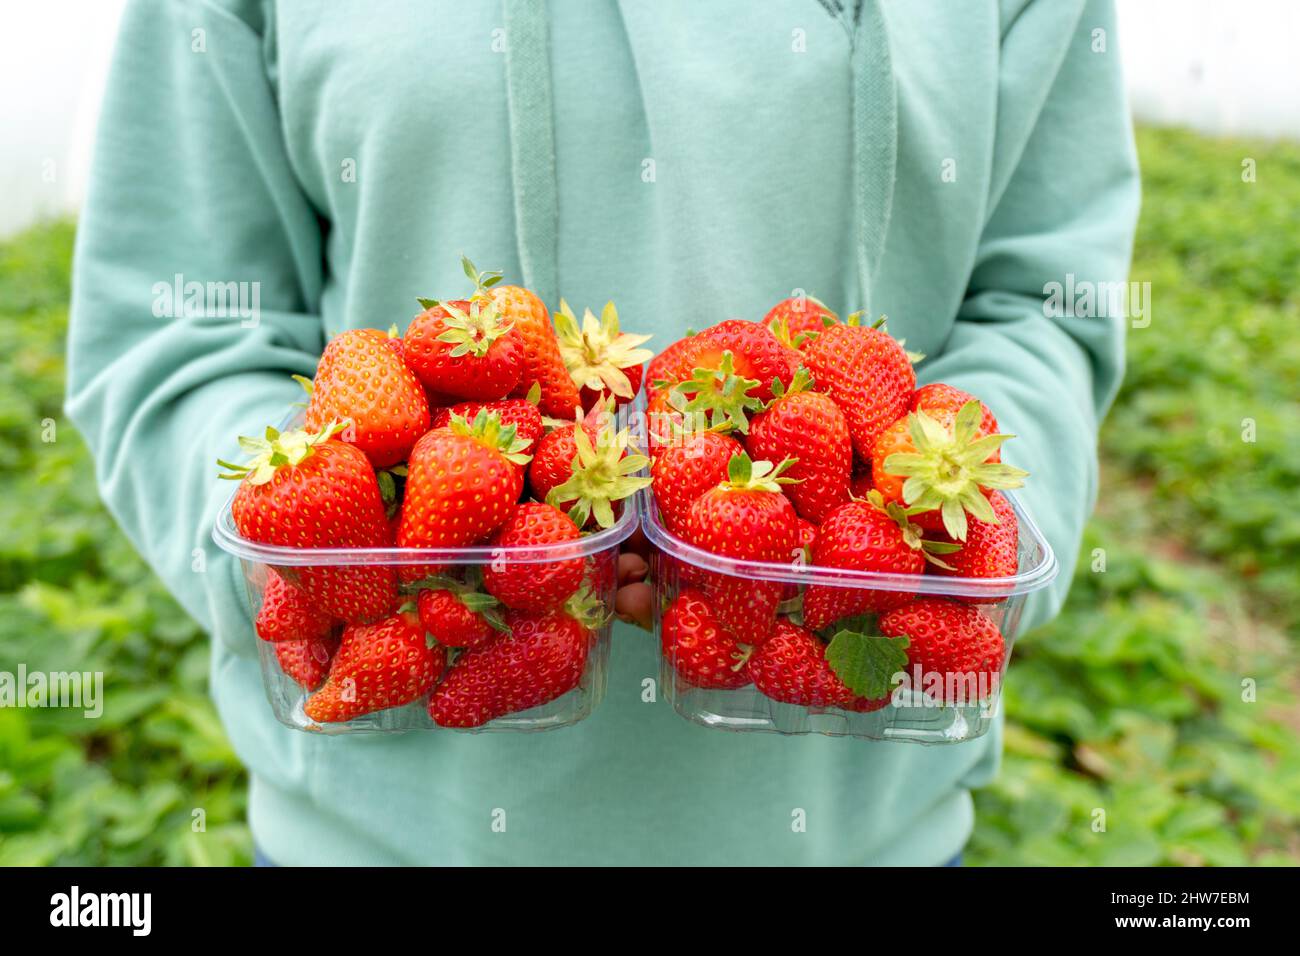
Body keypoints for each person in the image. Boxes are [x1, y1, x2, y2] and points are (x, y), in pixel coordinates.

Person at [66, 0, 1138, 866]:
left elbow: (1036, 303)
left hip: (864, 831)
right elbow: (181, 324)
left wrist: (925, 582)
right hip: (377, 834)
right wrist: (339, 571)